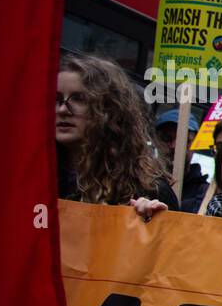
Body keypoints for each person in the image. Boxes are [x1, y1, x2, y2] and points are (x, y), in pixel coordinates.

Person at [55, 52, 178, 219]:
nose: (63, 109)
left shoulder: (147, 191)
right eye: (57, 99)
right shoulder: (29, 176)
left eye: (79, 99)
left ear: (109, 110)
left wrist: (150, 223)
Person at [154, 108, 210, 213]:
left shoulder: (206, 195)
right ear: (156, 141)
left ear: (195, 144)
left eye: (184, 140)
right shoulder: (142, 184)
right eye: (166, 139)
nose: (175, 146)